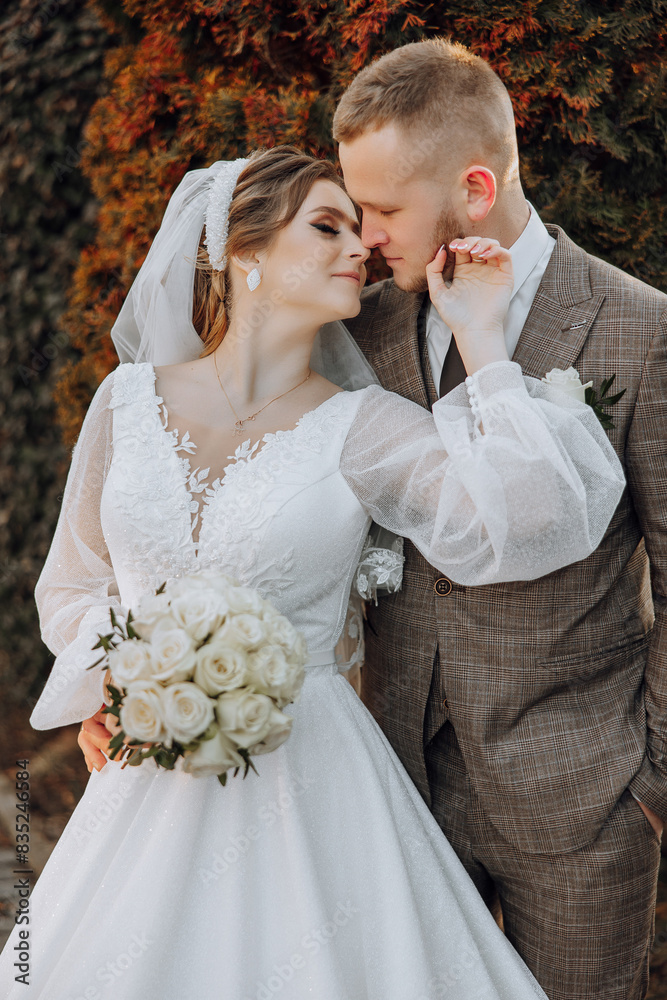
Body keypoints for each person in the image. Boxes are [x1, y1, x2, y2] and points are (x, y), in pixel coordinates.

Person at [0, 146, 624, 999]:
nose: (359, 248)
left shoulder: (365, 427)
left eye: (359, 229)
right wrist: (120, 676)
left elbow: (533, 522)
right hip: (149, 774)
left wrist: (483, 340)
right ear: (243, 254)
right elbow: (73, 584)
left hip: (310, 781)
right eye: (325, 226)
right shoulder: (126, 402)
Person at [333, 37, 667, 1000]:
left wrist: (647, 790)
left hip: (584, 801)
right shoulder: (363, 321)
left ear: (475, 189)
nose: (364, 234)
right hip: (396, 785)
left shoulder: (639, 330)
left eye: (384, 208)